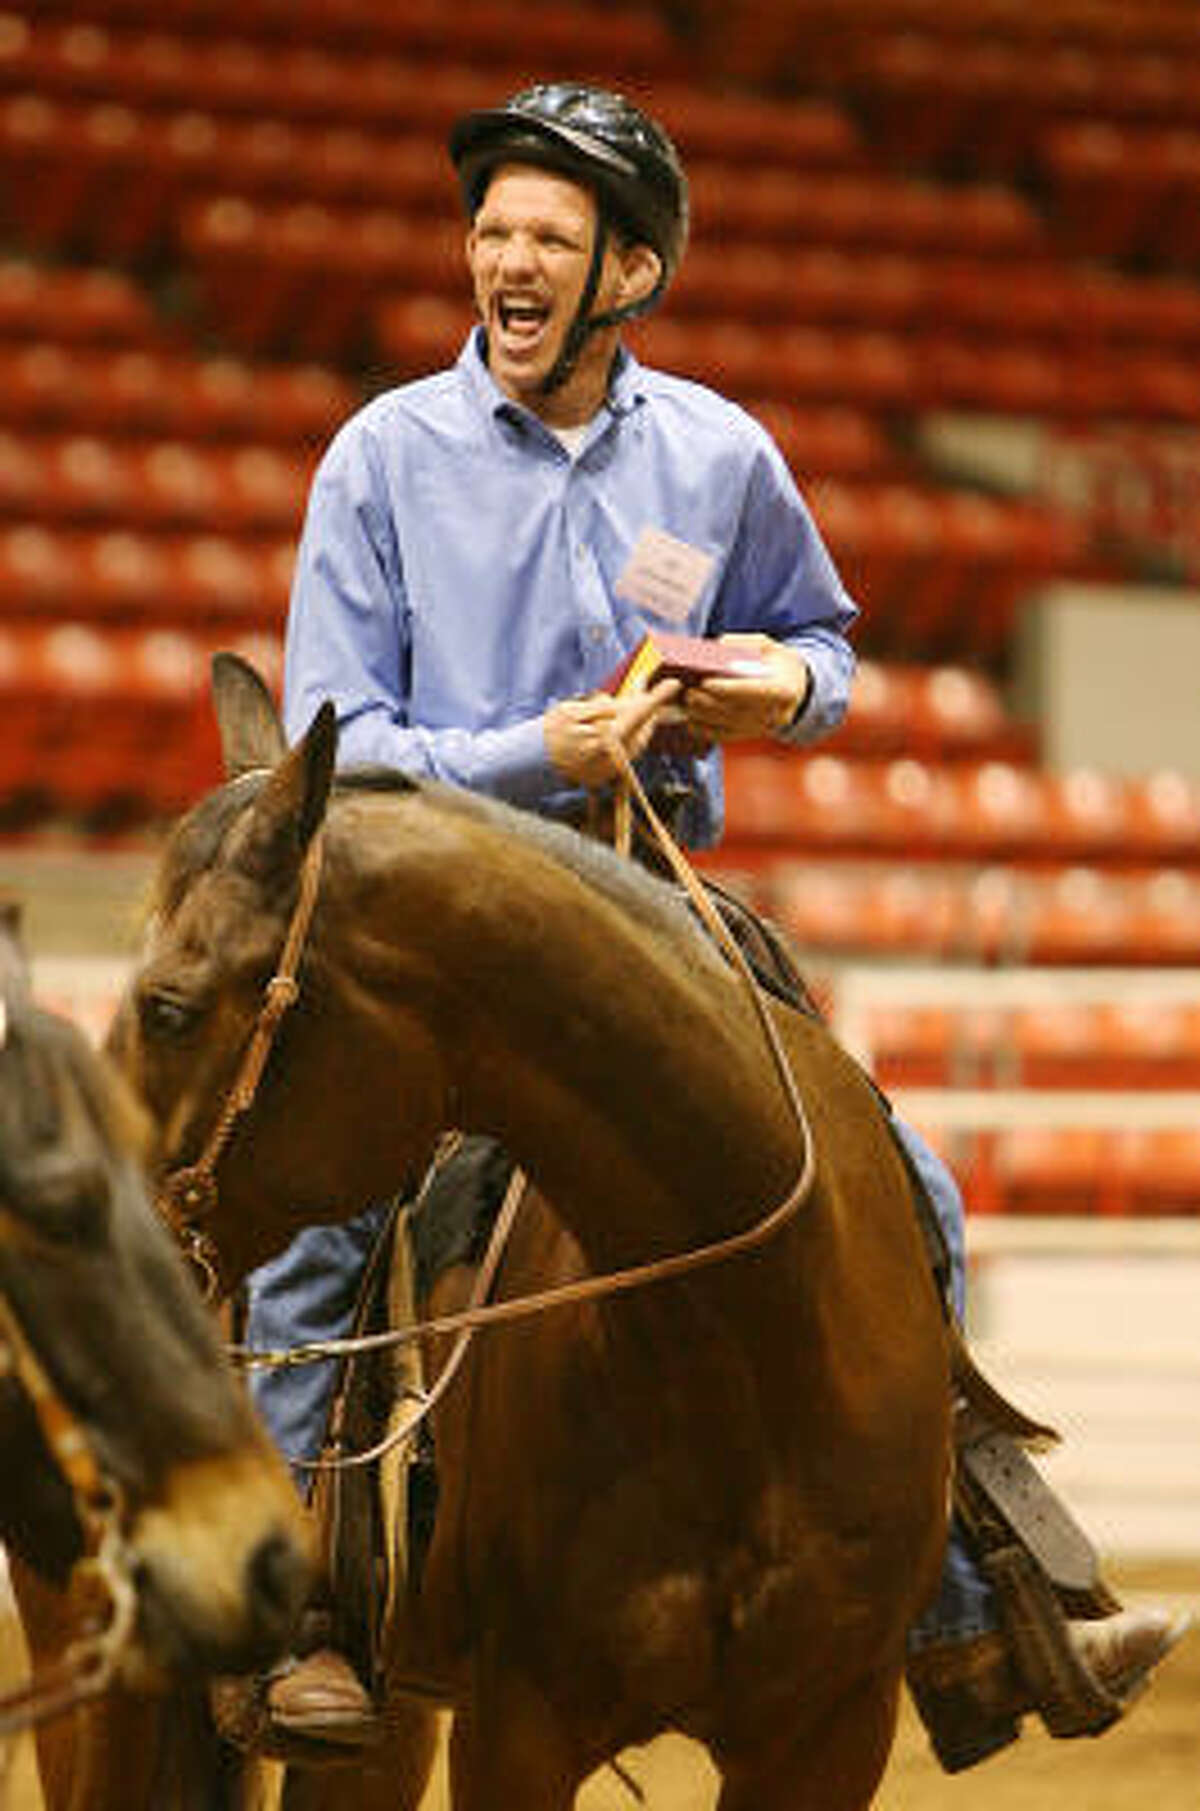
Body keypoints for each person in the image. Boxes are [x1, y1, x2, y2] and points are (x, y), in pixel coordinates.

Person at [237, 82, 1184, 1768]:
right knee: (322, 1207)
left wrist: (772, 687)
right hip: (441, 905)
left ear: (629, 272)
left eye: (549, 237)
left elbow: (827, 649)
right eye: (492, 231)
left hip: (659, 894)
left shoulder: (718, 453)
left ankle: (971, 1601)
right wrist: (539, 747)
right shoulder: (383, 456)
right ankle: (290, 1612)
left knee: (907, 1184)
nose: (508, 261)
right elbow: (340, 733)